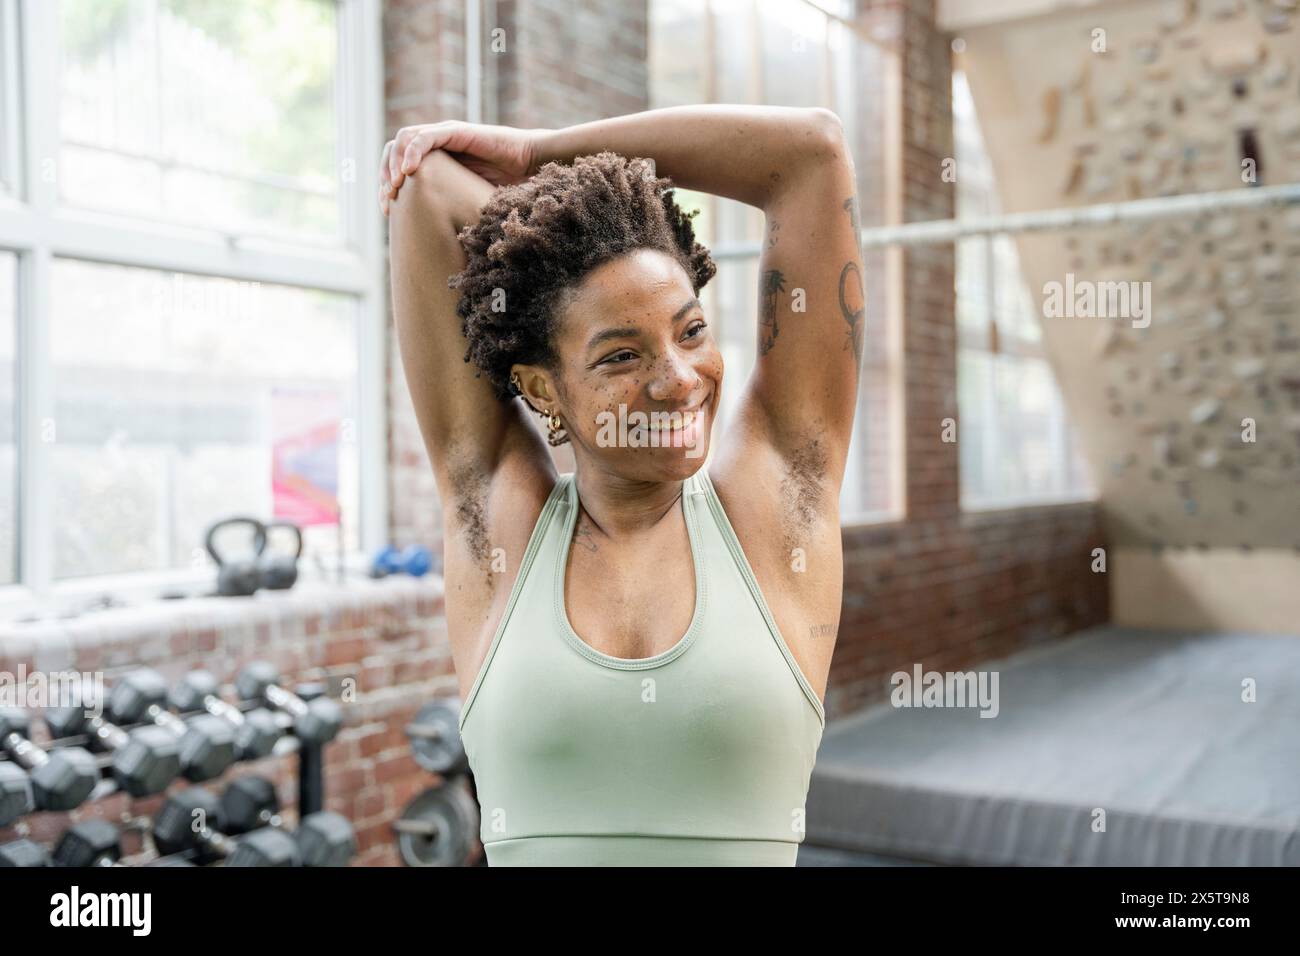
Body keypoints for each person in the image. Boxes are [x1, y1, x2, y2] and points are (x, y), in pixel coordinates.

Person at [381, 105, 864, 866]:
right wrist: (547, 263)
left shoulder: (779, 504)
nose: (678, 380)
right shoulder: (498, 521)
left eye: (692, 330)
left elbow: (811, 152)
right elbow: (428, 191)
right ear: (542, 390)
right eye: (619, 356)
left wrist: (541, 149)